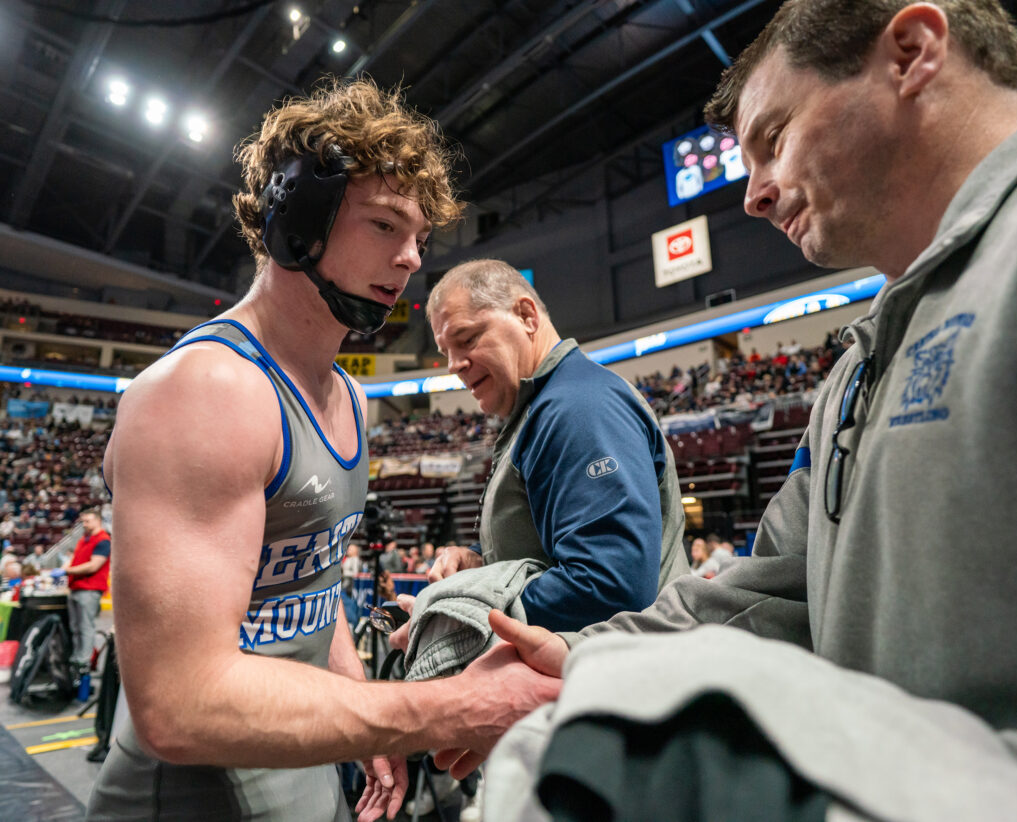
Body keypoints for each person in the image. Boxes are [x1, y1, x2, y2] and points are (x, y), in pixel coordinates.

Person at [424, 0, 1017, 808]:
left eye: (772, 140)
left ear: (914, 52)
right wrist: (578, 660)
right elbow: (766, 590)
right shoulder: (858, 368)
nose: (752, 196)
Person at [85, 79, 560, 822]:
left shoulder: (349, 399)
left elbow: (314, 586)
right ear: (297, 218)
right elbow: (177, 705)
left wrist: (365, 708)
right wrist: (446, 708)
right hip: (191, 800)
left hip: (304, 773)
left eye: (419, 241)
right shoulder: (207, 391)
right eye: (384, 226)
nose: (409, 260)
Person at [423, 259, 690, 631]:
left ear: (526, 315)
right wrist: (481, 567)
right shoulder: (543, 408)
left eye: (466, 339)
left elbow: (611, 587)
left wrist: (463, 610)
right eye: (445, 351)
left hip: (619, 678)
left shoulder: (578, 408)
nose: (452, 365)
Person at [63, 508, 111, 675]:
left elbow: (94, 566)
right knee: (75, 627)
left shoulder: (103, 541)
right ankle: (76, 659)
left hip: (89, 590)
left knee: (85, 627)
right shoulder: (84, 539)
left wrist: (68, 571)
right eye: (82, 521)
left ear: (98, 520)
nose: (84, 524)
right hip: (76, 588)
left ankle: (84, 663)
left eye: (87, 521)